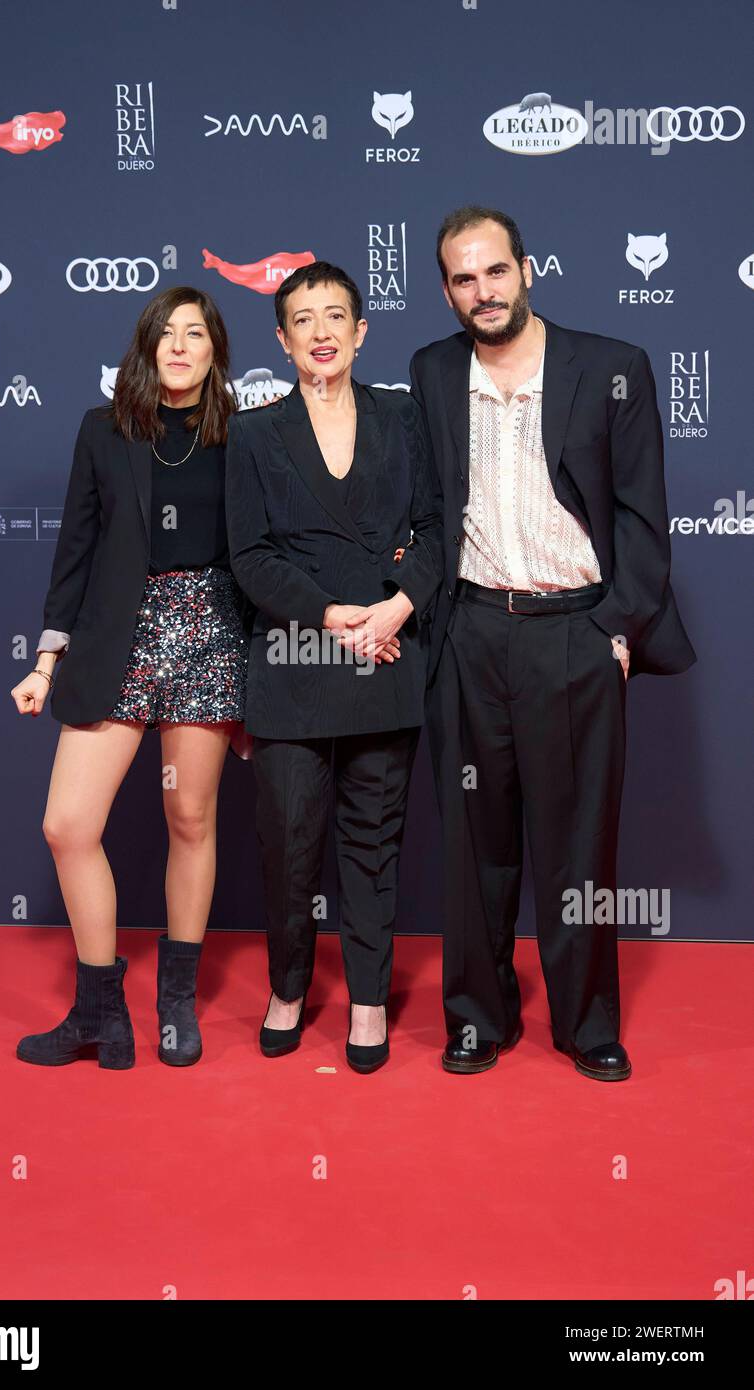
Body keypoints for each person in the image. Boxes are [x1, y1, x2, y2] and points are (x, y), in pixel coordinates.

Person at [410, 206, 695, 1081]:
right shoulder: (430, 372)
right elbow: (423, 513)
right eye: (463, 278)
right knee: (472, 840)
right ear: (447, 289)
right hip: (468, 631)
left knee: (579, 843)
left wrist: (615, 627)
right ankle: (475, 1017)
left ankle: (587, 1021)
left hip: (575, 632)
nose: (482, 292)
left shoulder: (612, 368)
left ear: (527, 270)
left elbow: (645, 520)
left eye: (495, 272)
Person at [10, 287, 249, 1070]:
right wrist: (47, 660)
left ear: (215, 348)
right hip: (119, 638)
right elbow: (73, 552)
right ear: (144, 349)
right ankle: (98, 1013)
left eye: (194, 333)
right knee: (68, 825)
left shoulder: (244, 436)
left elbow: (276, 544)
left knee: (190, 818)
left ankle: (175, 999)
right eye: (164, 334)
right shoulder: (104, 431)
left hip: (210, 635)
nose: (179, 346)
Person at [226, 261, 444, 1072]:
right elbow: (248, 554)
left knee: (372, 843)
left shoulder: (405, 417)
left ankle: (367, 1000)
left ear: (360, 331)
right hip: (292, 663)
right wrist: (328, 615)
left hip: (387, 654)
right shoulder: (252, 433)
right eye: (303, 320)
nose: (321, 332)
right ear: (282, 341)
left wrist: (395, 608)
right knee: (286, 840)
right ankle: (288, 988)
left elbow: (434, 527)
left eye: (335, 317)